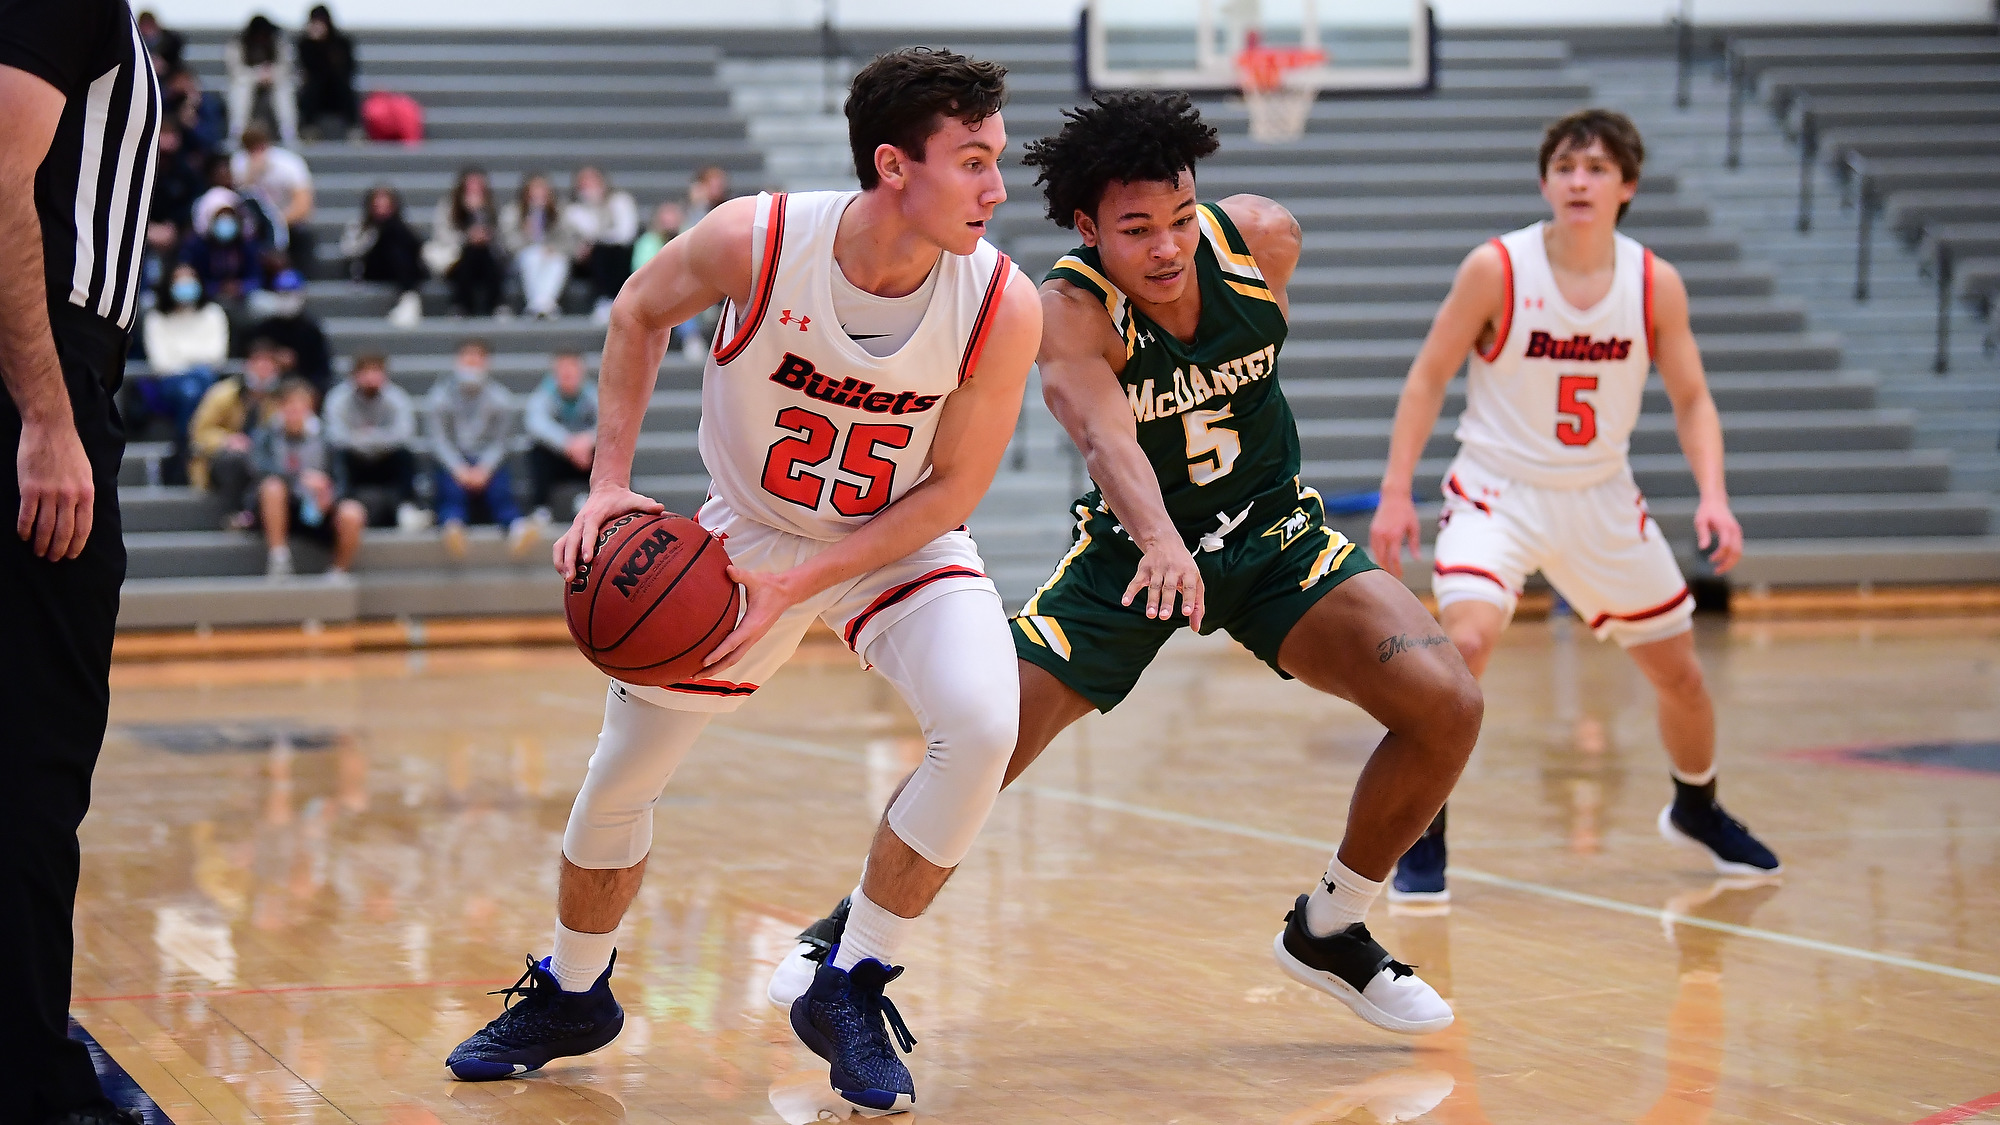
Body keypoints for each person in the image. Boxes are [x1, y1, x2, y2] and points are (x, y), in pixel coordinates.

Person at [767, 91, 1481, 1043]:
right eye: (1137, 229)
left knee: (1448, 704)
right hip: (1131, 558)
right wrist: (1160, 540)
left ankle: (1331, 926)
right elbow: (1106, 437)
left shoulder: (1265, 241)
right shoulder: (1062, 309)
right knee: (985, 746)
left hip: (1274, 535)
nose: (1167, 247)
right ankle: (848, 933)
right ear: (1086, 226)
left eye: (1181, 218)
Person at [444, 48, 1040, 1119]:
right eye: (974, 161)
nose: (998, 186)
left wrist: (813, 579)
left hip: (896, 541)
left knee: (983, 724)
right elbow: (635, 313)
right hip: (745, 536)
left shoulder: (1000, 301)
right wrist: (608, 490)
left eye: (996, 159)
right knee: (621, 781)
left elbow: (950, 490)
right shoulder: (755, 239)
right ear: (893, 166)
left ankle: (850, 981)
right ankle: (575, 994)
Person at [1368, 109, 1778, 904]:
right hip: (1497, 489)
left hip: (1599, 494)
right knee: (1467, 643)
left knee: (1682, 676)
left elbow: (1693, 398)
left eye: (1596, 169)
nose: (1579, 181)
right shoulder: (1496, 268)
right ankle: (1426, 829)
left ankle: (1696, 805)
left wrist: (1715, 496)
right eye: (1565, 167)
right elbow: (1427, 377)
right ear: (1545, 181)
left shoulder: (1653, 281)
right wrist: (1394, 490)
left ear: (1626, 186)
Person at [0, 3, 160, 1121]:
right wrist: (48, 413)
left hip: (50, 366)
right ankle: (31, 1082)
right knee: (32, 757)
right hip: (39, 371)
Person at [426, 338, 533, 558]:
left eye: (477, 360)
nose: (472, 365)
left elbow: (500, 442)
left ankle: (516, 526)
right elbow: (439, 442)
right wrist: (459, 469)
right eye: (468, 359)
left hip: (486, 462)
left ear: (487, 364)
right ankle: (452, 525)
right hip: (455, 462)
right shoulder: (439, 398)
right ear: (457, 362)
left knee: (499, 486)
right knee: (450, 487)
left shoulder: (501, 399)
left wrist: (484, 468)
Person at [253, 376, 364, 578]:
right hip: (283, 507)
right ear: (280, 407)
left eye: (299, 404)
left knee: (353, 512)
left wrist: (329, 496)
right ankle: (279, 559)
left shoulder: (328, 438)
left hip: (319, 507)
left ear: (310, 406)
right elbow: (258, 470)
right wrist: (298, 480)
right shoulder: (266, 435)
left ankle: (338, 572)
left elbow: (344, 479)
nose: (294, 410)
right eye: (288, 404)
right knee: (272, 487)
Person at [137, 265, 229, 479]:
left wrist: (180, 355)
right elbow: (161, 363)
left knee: (195, 387)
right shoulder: (156, 317)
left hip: (204, 379)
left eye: (191, 279)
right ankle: (191, 450)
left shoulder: (213, 313)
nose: (186, 285)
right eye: (180, 280)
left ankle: (183, 453)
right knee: (192, 388)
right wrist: (196, 359)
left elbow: (216, 357)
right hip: (170, 384)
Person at [188, 338, 284, 525]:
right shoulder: (223, 393)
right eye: (259, 364)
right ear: (249, 365)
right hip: (220, 460)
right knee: (236, 460)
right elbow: (199, 432)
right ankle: (233, 513)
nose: (264, 371)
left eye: (269, 366)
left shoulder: (279, 400)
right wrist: (227, 440)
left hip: (264, 461)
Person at [322, 352, 419, 527]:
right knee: (337, 456)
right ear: (354, 375)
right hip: (354, 458)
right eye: (366, 372)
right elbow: (336, 437)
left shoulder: (397, 398)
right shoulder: (338, 398)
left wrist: (365, 436)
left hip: (385, 458)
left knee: (405, 455)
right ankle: (342, 504)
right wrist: (375, 438)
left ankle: (406, 507)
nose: (371, 378)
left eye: (376, 372)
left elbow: (404, 434)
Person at [230, 125, 315, 273]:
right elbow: (235, 200)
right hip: (253, 224)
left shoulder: (290, 163)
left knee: (303, 234)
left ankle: (299, 279)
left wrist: (276, 222)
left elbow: (304, 205)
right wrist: (251, 175)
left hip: (286, 220)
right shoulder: (238, 163)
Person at [522, 350, 596, 520]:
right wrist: (568, 444)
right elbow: (535, 423)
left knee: (610, 449)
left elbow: (608, 421)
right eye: (563, 369)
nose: (567, 374)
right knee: (537, 450)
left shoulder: (593, 392)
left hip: (586, 456)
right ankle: (541, 508)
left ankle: (599, 498)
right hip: (558, 455)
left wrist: (586, 440)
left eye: (572, 368)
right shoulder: (544, 394)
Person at [341, 184, 426, 326]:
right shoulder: (358, 226)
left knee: (394, 236)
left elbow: (416, 247)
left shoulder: (402, 229)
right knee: (390, 235)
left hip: (398, 266)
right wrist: (374, 236)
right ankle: (409, 296)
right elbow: (350, 251)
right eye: (377, 205)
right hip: (372, 267)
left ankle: (408, 296)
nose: (381, 209)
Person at [564, 165, 639, 324]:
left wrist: (600, 237)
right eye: (584, 183)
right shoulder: (573, 210)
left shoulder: (619, 201)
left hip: (618, 255)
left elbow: (625, 233)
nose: (589, 187)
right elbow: (582, 234)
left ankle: (614, 298)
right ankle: (603, 299)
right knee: (598, 251)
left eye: (593, 181)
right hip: (587, 262)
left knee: (608, 250)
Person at [426, 166, 503, 317]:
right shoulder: (448, 206)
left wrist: (481, 220)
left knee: (481, 251)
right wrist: (467, 237)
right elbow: (442, 235)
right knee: (471, 252)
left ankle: (495, 305)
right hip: (457, 259)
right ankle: (463, 305)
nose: (474, 189)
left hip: (487, 260)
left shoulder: (493, 207)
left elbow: (502, 239)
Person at [501, 172, 573, 319]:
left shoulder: (560, 212)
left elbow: (569, 241)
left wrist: (553, 248)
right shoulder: (513, 212)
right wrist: (527, 236)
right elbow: (508, 244)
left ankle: (542, 303)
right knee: (533, 256)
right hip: (522, 257)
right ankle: (541, 303)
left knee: (559, 261)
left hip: (552, 255)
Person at [248, 269, 331, 394]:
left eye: (290, 294)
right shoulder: (264, 328)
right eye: (282, 294)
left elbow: (322, 371)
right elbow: (252, 362)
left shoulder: (311, 330)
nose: (286, 299)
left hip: (302, 389)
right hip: (267, 390)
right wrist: (274, 358)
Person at [225, 14, 297, 145]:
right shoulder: (238, 43)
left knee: (284, 87)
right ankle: (237, 132)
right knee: (241, 88)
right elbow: (236, 70)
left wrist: (271, 74)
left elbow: (286, 67)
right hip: (247, 81)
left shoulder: (278, 42)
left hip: (274, 81)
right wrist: (257, 74)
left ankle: (288, 132)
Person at [180, 201, 264, 305]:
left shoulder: (247, 245)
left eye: (230, 219)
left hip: (242, 300)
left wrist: (240, 287)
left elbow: (257, 278)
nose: (225, 224)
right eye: (221, 219)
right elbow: (194, 279)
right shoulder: (197, 247)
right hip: (208, 300)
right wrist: (219, 288)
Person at [294, 5, 358, 140]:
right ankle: (308, 128)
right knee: (313, 85)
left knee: (343, 86)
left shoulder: (341, 43)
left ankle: (354, 129)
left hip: (336, 90)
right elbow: (309, 69)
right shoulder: (305, 44)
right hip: (316, 91)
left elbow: (348, 69)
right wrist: (316, 46)